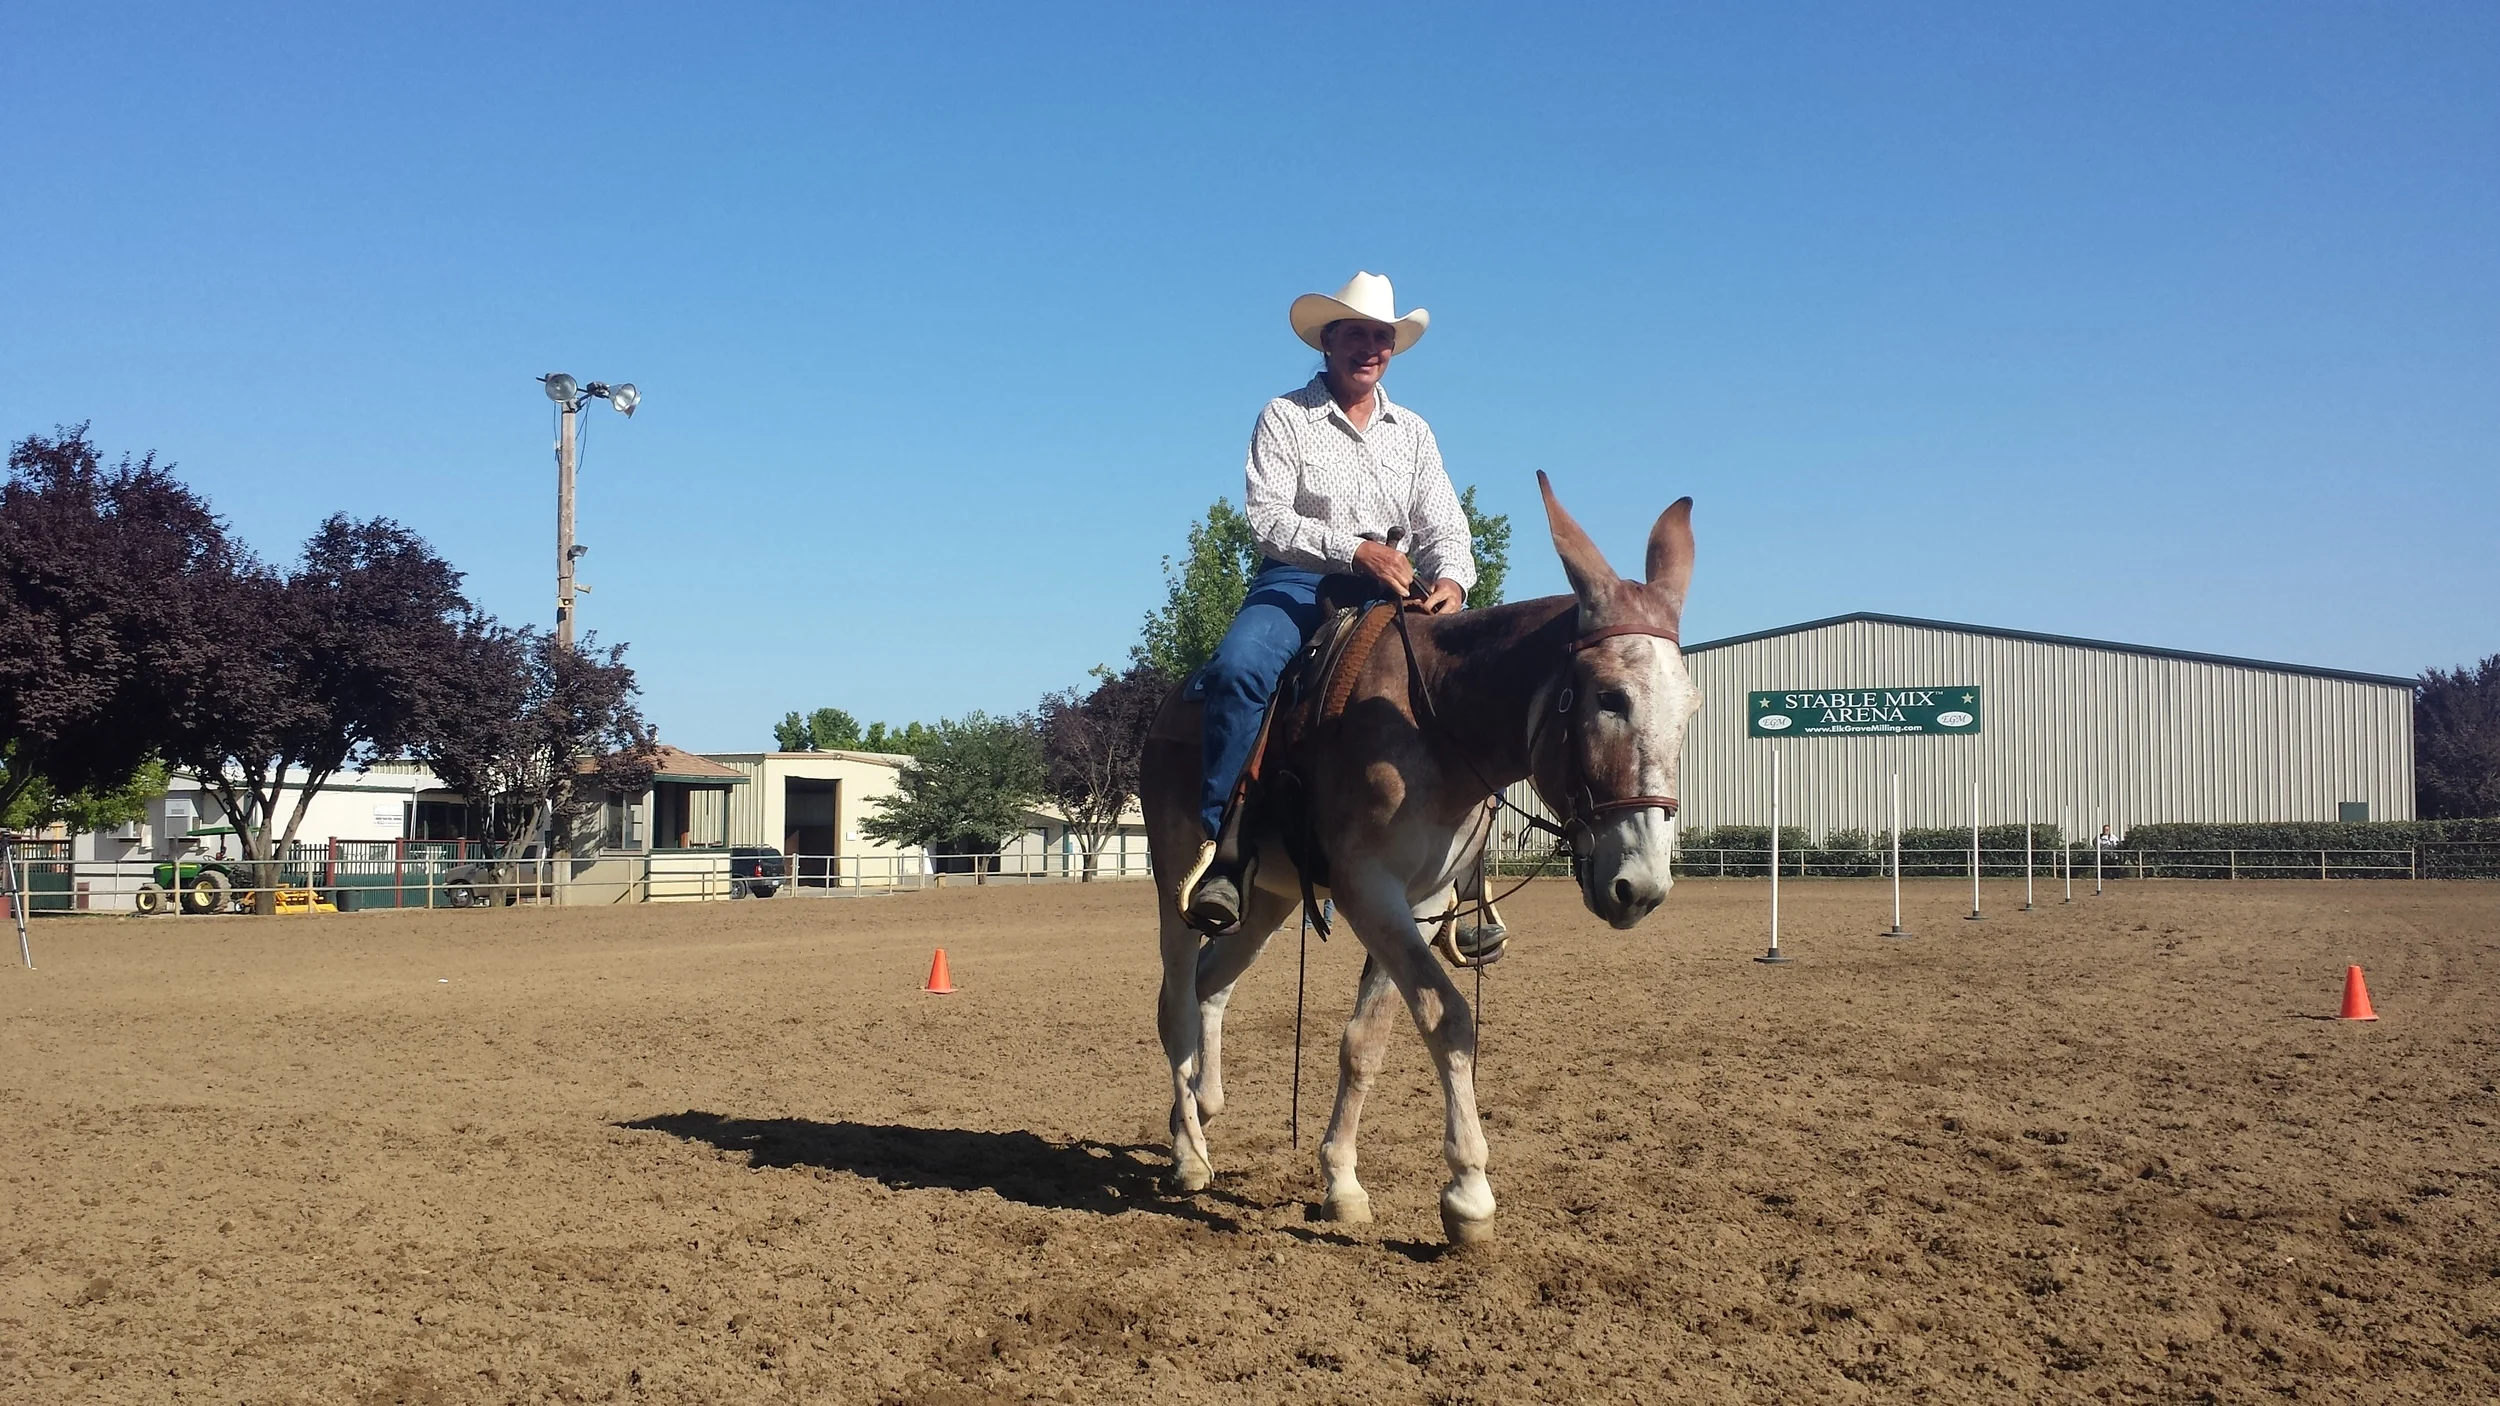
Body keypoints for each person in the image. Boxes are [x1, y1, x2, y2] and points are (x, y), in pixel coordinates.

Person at [1184, 272, 1477, 932]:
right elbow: (1268, 519)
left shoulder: (1414, 433)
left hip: (1397, 588)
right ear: (1328, 341)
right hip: (1297, 581)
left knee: (1475, 678)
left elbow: (1444, 526)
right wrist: (1354, 551)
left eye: (1382, 337)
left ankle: (1464, 874)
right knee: (1240, 670)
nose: (1370, 348)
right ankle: (1226, 846)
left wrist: (1454, 582)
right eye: (1357, 335)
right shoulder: (1285, 416)